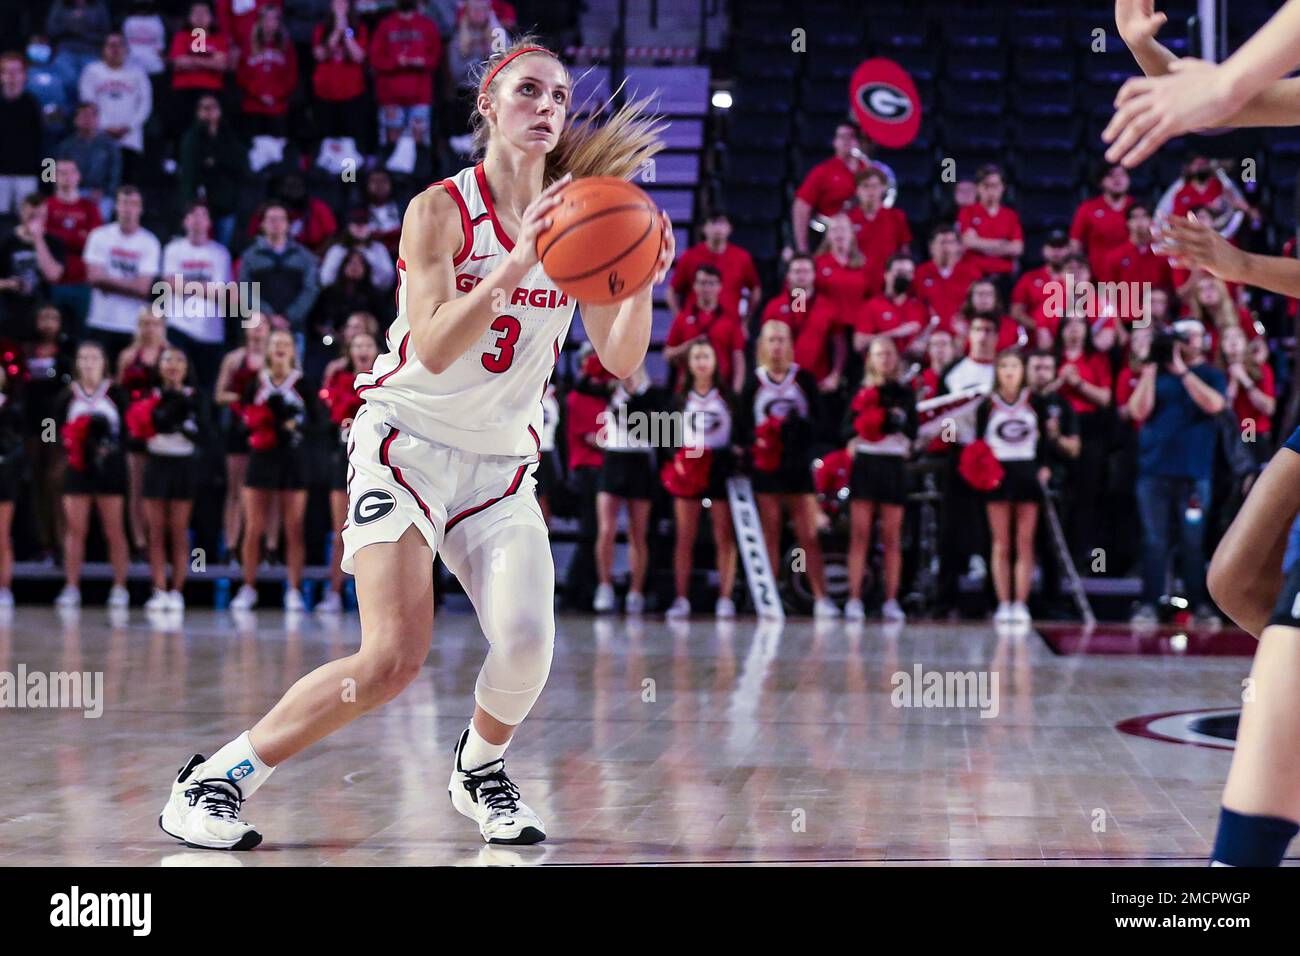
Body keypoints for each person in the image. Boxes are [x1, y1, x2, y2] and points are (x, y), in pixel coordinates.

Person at [159, 37, 671, 850]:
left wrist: (635, 277)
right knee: (392, 658)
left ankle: (479, 769)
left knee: (531, 642)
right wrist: (513, 263)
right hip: (406, 447)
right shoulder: (440, 208)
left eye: (560, 97)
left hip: (501, 469)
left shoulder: (584, 215)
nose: (547, 108)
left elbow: (621, 358)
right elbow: (431, 345)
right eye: (529, 91)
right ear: (489, 107)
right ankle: (215, 780)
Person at [1124, 317, 1225, 625]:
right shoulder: (1155, 374)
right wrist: (1150, 371)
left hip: (1195, 473)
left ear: (1202, 342)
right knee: (1154, 540)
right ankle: (1149, 604)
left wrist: (1183, 373)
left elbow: (1215, 405)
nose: (1185, 342)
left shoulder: (1210, 374)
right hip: (1154, 471)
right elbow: (1136, 411)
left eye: (1191, 337)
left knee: (1193, 540)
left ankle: (1198, 604)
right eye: (1181, 337)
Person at [738, 319, 837, 618]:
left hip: (797, 468)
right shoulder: (753, 383)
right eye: (771, 340)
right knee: (770, 533)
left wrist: (799, 433)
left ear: (790, 345)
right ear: (762, 346)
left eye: (782, 340)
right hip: (767, 469)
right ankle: (769, 599)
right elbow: (743, 429)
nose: (777, 346)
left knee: (808, 535)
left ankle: (821, 598)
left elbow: (821, 425)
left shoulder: (803, 379)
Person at [230, 328, 318, 612]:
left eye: (286, 343)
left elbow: (318, 424)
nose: (280, 347)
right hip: (261, 459)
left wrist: (293, 426)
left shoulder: (303, 384)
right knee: (253, 526)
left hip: (293, 461)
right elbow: (243, 418)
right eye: (275, 343)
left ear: (293, 351)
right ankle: (248, 587)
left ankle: (293, 590)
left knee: (293, 527)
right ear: (267, 350)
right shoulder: (255, 382)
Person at [973, 350, 1050, 624]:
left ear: (1023, 370)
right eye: (1003, 365)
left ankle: (1021, 603)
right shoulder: (987, 405)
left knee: (1025, 542)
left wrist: (1044, 467)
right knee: (1001, 542)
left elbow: (1045, 441)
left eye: (1014, 365)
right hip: (998, 475)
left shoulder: (1036, 402)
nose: (1009, 371)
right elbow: (978, 445)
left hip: (1027, 472)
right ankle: (1003, 603)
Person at [843, 335, 915, 622]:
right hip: (866, 465)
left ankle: (891, 600)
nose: (884, 358)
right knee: (859, 535)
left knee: (892, 537)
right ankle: (854, 599)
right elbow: (845, 429)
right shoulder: (860, 391)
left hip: (893, 465)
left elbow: (912, 431)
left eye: (889, 353)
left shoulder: (905, 393)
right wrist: (857, 435)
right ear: (870, 359)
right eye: (878, 353)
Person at [664, 340, 737, 620]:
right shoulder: (680, 399)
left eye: (707, 355)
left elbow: (740, 435)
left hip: (719, 470)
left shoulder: (728, 397)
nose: (702, 361)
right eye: (696, 357)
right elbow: (667, 437)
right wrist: (680, 460)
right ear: (689, 364)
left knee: (724, 536)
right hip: (689, 472)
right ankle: (681, 599)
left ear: (715, 361)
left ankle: (726, 598)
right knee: (685, 537)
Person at [56, 340, 130, 609]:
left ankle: (120, 587)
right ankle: (71, 586)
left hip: (109, 470)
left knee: (114, 529)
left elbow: (129, 431)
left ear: (104, 363)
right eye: (83, 358)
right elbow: (49, 429)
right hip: (77, 469)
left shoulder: (117, 394)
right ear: (77, 363)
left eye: (94, 358)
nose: (88, 363)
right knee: (76, 530)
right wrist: (67, 445)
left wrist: (107, 449)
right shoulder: (66, 395)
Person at [133, 346, 206, 611]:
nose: (173, 365)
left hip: (183, 465)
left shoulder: (196, 396)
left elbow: (208, 435)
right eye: (167, 360)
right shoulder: (148, 395)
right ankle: (159, 588)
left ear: (187, 367)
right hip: (156, 464)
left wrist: (181, 426)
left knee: (178, 529)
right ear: (159, 366)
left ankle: (177, 591)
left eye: (179, 359)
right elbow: (135, 435)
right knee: (155, 531)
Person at [592, 366, 662, 615]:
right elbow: (584, 386)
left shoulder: (651, 393)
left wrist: (637, 388)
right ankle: (605, 586)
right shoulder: (610, 388)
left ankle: (635, 592)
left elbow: (654, 429)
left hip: (639, 461)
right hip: (613, 459)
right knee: (607, 528)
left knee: (637, 532)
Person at [318, 330, 377, 614]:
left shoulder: (385, 379)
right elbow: (332, 415)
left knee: (374, 533)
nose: (363, 349)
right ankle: (334, 591)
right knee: (339, 530)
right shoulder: (340, 381)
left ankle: (370, 599)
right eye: (358, 345)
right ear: (350, 352)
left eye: (368, 344)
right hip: (343, 460)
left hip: (378, 462)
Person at [82, 185, 162, 360]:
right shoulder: (99, 236)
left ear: (141, 208)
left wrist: (107, 282)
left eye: (134, 204)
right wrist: (130, 286)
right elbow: (94, 278)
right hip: (100, 320)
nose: (128, 209)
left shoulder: (150, 242)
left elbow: (143, 288)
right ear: (116, 206)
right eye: (124, 203)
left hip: (133, 326)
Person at [159, 202, 233, 390]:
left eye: (203, 215)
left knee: (206, 388)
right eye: (193, 215)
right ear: (185, 221)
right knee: (175, 384)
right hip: (177, 326)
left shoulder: (220, 254)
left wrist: (184, 286)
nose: (198, 220)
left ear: (209, 222)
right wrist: (207, 289)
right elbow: (170, 284)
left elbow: (224, 293)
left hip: (211, 332)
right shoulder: (173, 249)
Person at [213, 317, 269, 558]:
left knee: (266, 491)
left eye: (262, 324)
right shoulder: (234, 359)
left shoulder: (278, 355)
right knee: (236, 489)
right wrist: (245, 400)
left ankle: (268, 549)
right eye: (252, 324)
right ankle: (231, 547)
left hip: (268, 429)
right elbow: (218, 395)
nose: (257, 329)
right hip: (240, 428)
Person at [117, 308, 169, 554]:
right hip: (135, 428)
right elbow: (119, 393)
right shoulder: (128, 357)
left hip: (163, 430)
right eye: (146, 324)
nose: (150, 329)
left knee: (160, 487)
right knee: (136, 486)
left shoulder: (171, 356)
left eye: (155, 324)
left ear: (163, 327)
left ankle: (159, 540)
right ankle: (139, 542)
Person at [78, 33, 152, 184]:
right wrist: (104, 126)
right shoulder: (92, 71)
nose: (115, 49)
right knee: (101, 185)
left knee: (127, 183)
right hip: (99, 137)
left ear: (126, 49)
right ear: (103, 49)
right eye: (110, 45)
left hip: (130, 139)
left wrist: (129, 126)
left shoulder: (138, 73)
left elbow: (145, 104)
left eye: (119, 45)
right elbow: (87, 103)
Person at [177, 95, 248, 248]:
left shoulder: (230, 136)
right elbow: (189, 174)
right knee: (187, 250)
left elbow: (241, 166)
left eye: (213, 107)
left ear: (220, 111)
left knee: (222, 249)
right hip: (198, 205)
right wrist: (191, 206)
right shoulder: (191, 139)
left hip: (226, 204)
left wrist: (214, 161)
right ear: (197, 112)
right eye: (204, 108)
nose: (209, 112)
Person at [662, 264, 745, 394]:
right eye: (702, 283)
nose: (706, 288)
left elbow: (738, 360)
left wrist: (735, 394)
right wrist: (688, 347)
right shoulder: (682, 318)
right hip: (687, 392)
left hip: (720, 393)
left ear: (720, 286)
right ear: (694, 286)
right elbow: (667, 354)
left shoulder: (731, 320)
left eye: (711, 283)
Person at [370, 0, 442, 147]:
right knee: (391, 144)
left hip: (420, 95)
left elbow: (436, 57)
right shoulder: (385, 25)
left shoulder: (427, 25)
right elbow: (375, 59)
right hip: (390, 96)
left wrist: (422, 61)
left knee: (419, 143)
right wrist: (396, 62)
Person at [665, 212, 761, 319]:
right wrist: (681, 320)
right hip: (695, 325)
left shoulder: (742, 257)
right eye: (713, 223)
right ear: (703, 228)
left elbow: (755, 290)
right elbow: (672, 292)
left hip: (731, 326)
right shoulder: (689, 257)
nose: (718, 228)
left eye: (722, 223)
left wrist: (746, 320)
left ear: (730, 228)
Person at [792, 122, 868, 253]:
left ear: (858, 141)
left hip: (865, 239)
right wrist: (802, 248)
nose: (846, 141)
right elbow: (801, 207)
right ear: (834, 142)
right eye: (841, 137)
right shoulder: (823, 171)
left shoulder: (868, 169)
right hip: (831, 240)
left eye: (851, 136)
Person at [0, 194, 67, 338]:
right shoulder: (5, 240)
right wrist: (8, 284)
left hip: (41, 316)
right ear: (21, 213)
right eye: (31, 215)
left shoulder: (55, 242)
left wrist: (38, 239)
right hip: (8, 313)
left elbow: (53, 275)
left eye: (41, 216)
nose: (36, 220)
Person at [167, 2, 231, 138]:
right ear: (189, 17)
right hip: (184, 90)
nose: (200, 16)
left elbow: (222, 65)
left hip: (212, 90)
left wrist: (192, 59)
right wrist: (209, 61)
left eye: (204, 13)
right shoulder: (181, 37)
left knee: (210, 130)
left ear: (212, 17)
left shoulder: (219, 39)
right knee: (181, 128)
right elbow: (178, 62)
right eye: (196, 13)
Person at [311, 0, 370, 147]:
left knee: (349, 141)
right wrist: (337, 31)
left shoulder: (359, 29)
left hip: (351, 93)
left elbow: (359, 56)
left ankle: (348, 170)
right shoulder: (321, 29)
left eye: (343, 4)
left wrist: (346, 32)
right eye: (336, 4)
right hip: (325, 94)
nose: (340, 9)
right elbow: (320, 54)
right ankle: (328, 168)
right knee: (327, 140)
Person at [236, 4, 297, 138]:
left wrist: (276, 95)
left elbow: (291, 76)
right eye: (266, 19)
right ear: (259, 22)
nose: (270, 23)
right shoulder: (248, 46)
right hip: (252, 106)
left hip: (277, 107)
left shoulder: (286, 47)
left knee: (276, 151)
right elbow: (242, 75)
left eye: (274, 19)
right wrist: (259, 94)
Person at [56, 102, 121, 223]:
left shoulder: (110, 145)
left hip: (102, 194)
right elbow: (50, 171)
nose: (88, 120)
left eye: (91, 116)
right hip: (72, 192)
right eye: (83, 116)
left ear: (97, 119)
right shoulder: (65, 145)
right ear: (76, 120)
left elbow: (116, 173)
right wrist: (62, 190)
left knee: (100, 215)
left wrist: (105, 192)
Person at [1069, 163, 1134, 277]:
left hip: (1131, 277)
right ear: (1101, 181)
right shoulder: (1087, 208)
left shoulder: (1138, 209)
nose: (1117, 179)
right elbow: (1076, 244)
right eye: (1111, 175)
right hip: (1098, 278)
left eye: (1122, 174)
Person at [0, 52, 44, 217]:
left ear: (24, 76)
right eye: (7, 72)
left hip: (27, 176)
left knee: (28, 219)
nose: (12, 77)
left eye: (16, 72)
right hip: (1, 176)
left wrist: (48, 180)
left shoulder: (32, 104)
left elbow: (44, 145)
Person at [0, 366, 24, 608]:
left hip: (4, 477)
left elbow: (45, 425)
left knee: (2, 535)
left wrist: (51, 441)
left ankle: (4, 589)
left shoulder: (13, 407)